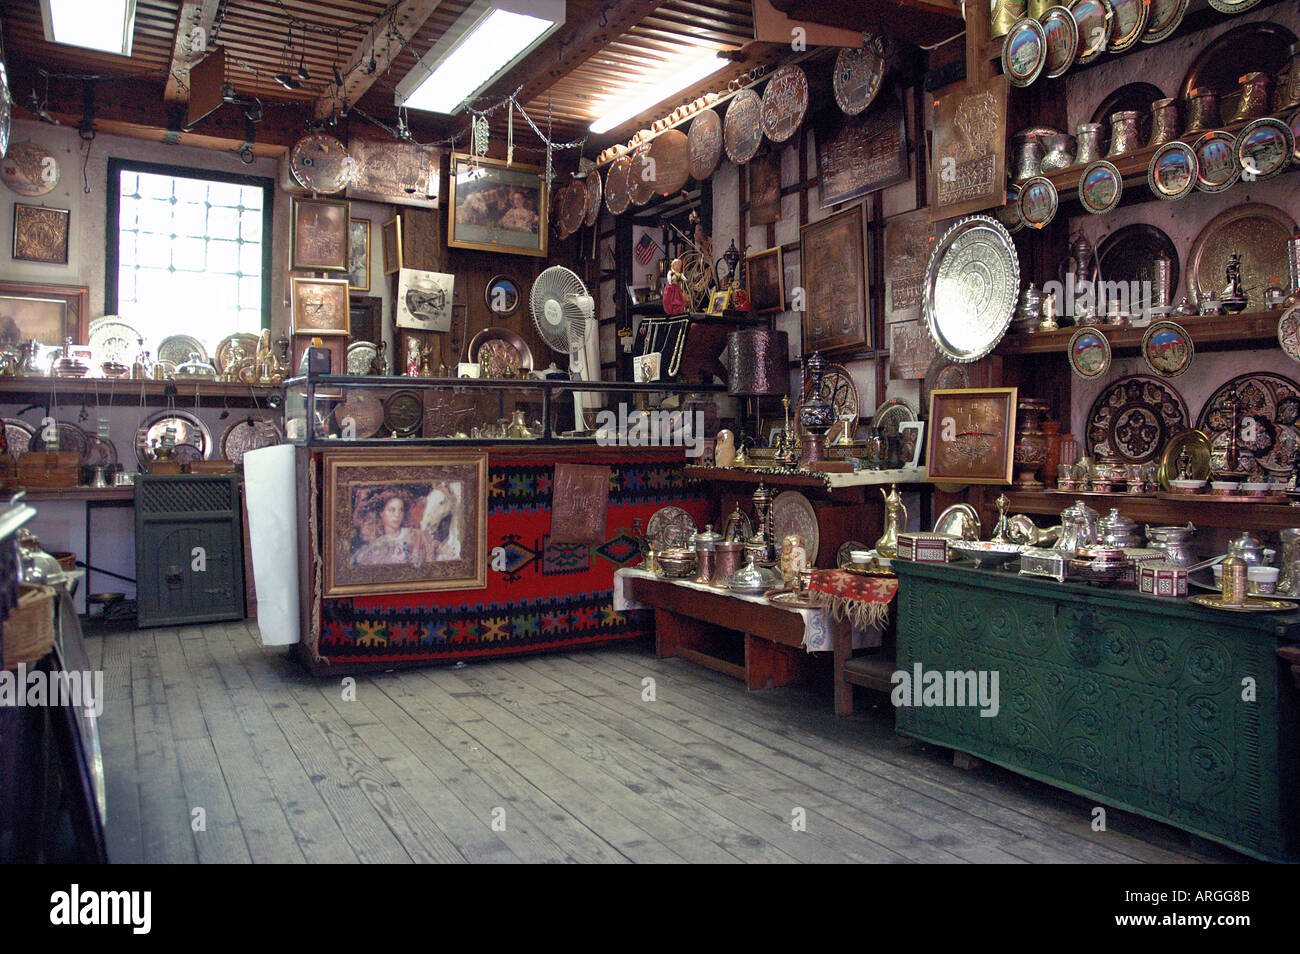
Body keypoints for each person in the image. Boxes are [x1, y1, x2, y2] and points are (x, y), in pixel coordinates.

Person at [351, 492, 434, 566]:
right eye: (392, 510)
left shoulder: (417, 536)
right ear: (381, 513)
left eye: (401, 510)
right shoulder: (376, 544)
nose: (397, 515)